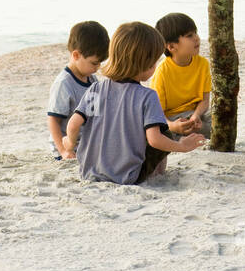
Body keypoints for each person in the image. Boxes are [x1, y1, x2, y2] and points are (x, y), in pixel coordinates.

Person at [64, 21, 205, 184]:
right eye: (154, 61)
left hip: (88, 173)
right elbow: (155, 140)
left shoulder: (95, 89)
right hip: (128, 177)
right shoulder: (147, 96)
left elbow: (73, 125)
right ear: (145, 64)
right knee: (163, 131)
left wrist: (69, 144)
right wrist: (182, 145)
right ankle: (158, 173)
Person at [46, 20, 109, 160]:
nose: (97, 67)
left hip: (87, 143)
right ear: (76, 55)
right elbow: (53, 120)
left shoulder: (92, 80)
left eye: (100, 63)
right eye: (94, 63)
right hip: (68, 146)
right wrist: (63, 151)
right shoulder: (64, 83)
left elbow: (95, 115)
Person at [150, 13, 212, 141]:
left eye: (196, 33)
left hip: (197, 113)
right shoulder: (162, 72)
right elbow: (156, 114)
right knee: (165, 132)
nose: (197, 38)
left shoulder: (203, 64)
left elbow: (205, 100)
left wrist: (196, 115)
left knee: (222, 119)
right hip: (173, 118)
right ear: (172, 46)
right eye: (190, 36)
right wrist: (173, 126)